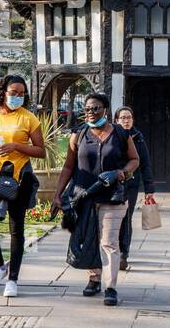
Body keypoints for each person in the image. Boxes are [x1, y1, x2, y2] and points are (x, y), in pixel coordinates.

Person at [53, 91, 140, 308]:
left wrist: (121, 173)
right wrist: (57, 194)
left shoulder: (120, 133)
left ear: (105, 111)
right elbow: (68, 166)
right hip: (84, 195)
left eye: (95, 108)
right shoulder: (79, 134)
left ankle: (111, 287)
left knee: (108, 242)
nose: (90, 112)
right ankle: (94, 278)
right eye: (87, 109)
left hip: (112, 196)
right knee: (89, 237)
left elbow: (134, 160)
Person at [0, 74, 46, 297]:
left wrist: (17, 146)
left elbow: (41, 151)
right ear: (3, 92)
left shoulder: (28, 118)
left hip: (19, 178)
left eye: (21, 93)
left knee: (17, 229)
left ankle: (13, 280)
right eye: (13, 92)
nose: (17, 96)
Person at [113, 106, 154, 272]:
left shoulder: (137, 137)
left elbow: (145, 163)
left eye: (129, 117)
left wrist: (149, 187)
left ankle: (123, 254)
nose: (126, 120)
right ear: (116, 120)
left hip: (131, 185)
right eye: (122, 117)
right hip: (112, 183)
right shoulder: (111, 135)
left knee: (126, 219)